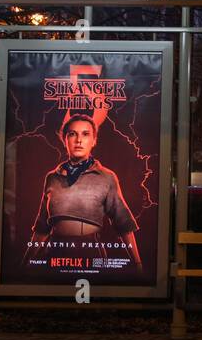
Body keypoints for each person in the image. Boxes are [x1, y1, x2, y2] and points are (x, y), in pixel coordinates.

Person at [27, 113, 143, 274]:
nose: (79, 140)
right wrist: (25, 263)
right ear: (65, 140)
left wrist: (137, 264)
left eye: (86, 134)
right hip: (54, 253)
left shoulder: (106, 177)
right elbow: (42, 226)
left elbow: (123, 223)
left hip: (91, 252)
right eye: (72, 134)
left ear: (94, 141)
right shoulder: (52, 177)